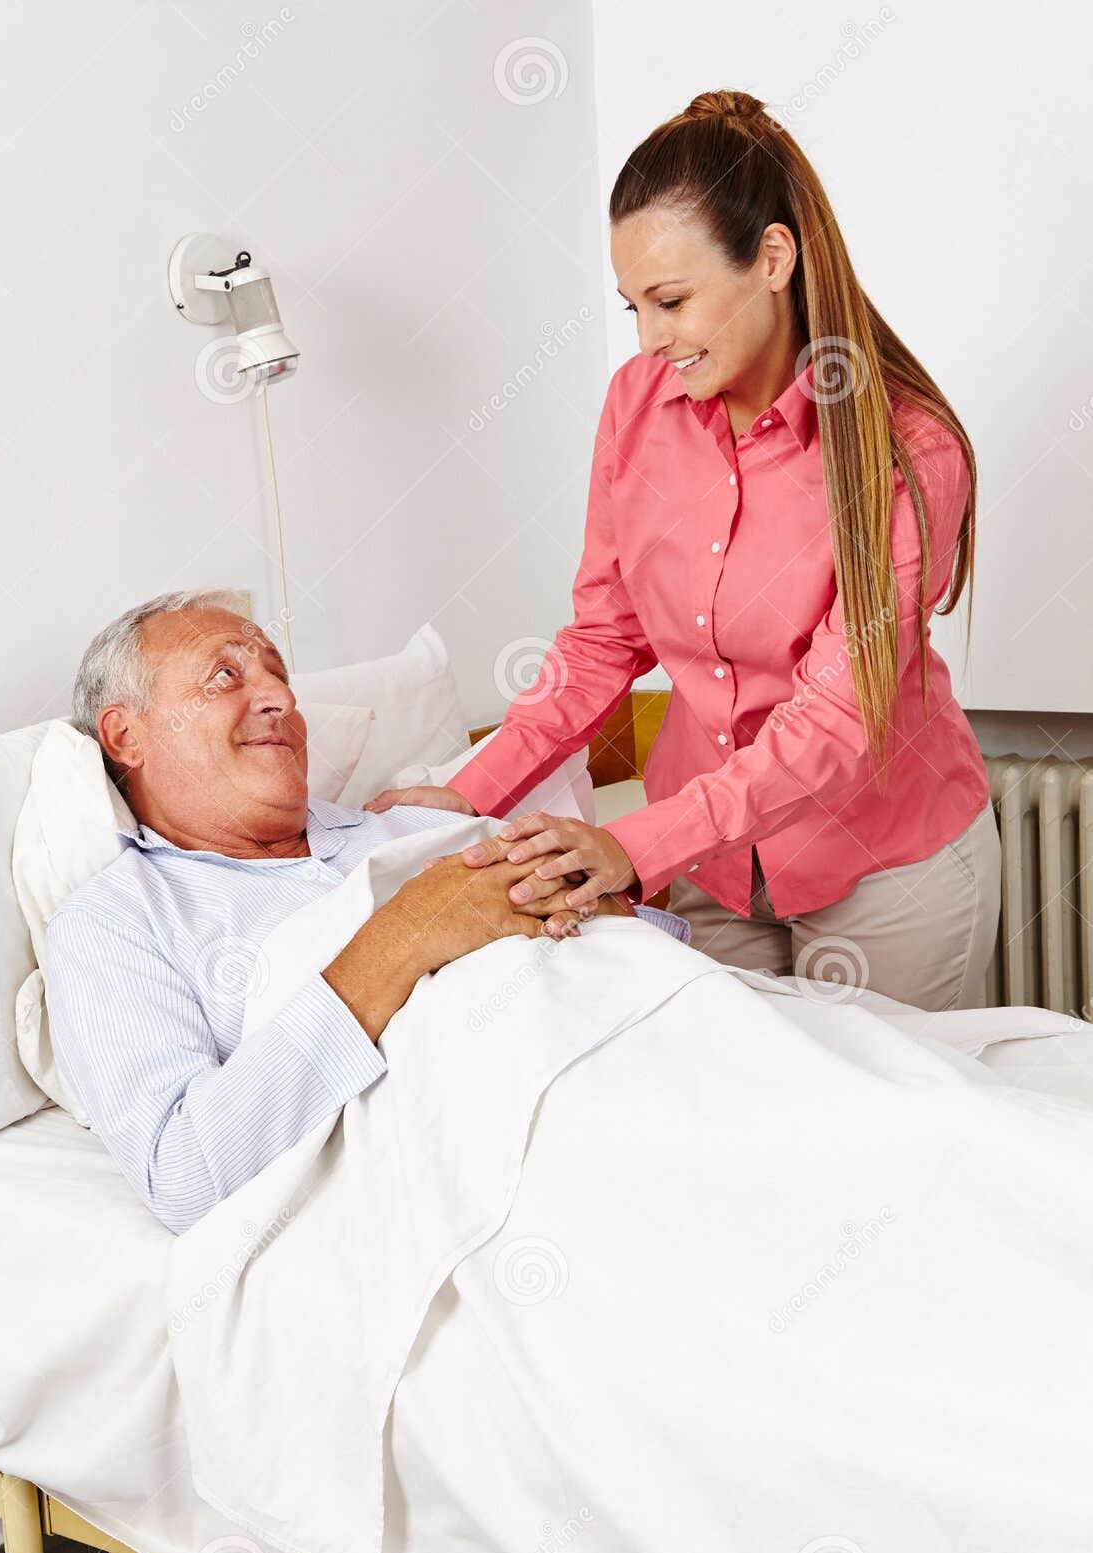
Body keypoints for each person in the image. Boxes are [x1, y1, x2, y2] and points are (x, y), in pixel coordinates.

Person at [367, 88, 1000, 1014]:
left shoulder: (908, 452)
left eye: (671, 301)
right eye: (631, 306)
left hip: (886, 873)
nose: (649, 340)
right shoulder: (636, 404)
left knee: (880, 1140)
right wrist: (468, 792)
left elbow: (838, 718)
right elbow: (601, 643)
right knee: (731, 1132)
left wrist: (638, 846)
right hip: (713, 865)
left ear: (773, 259)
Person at [44, 590, 687, 1234]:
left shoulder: (417, 826)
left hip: (667, 1055)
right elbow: (184, 1178)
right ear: (126, 736)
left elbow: (659, 953)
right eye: (225, 675)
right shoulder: (115, 922)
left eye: (279, 675)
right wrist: (406, 936)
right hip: (540, 1165)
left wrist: (597, 902)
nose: (281, 700)